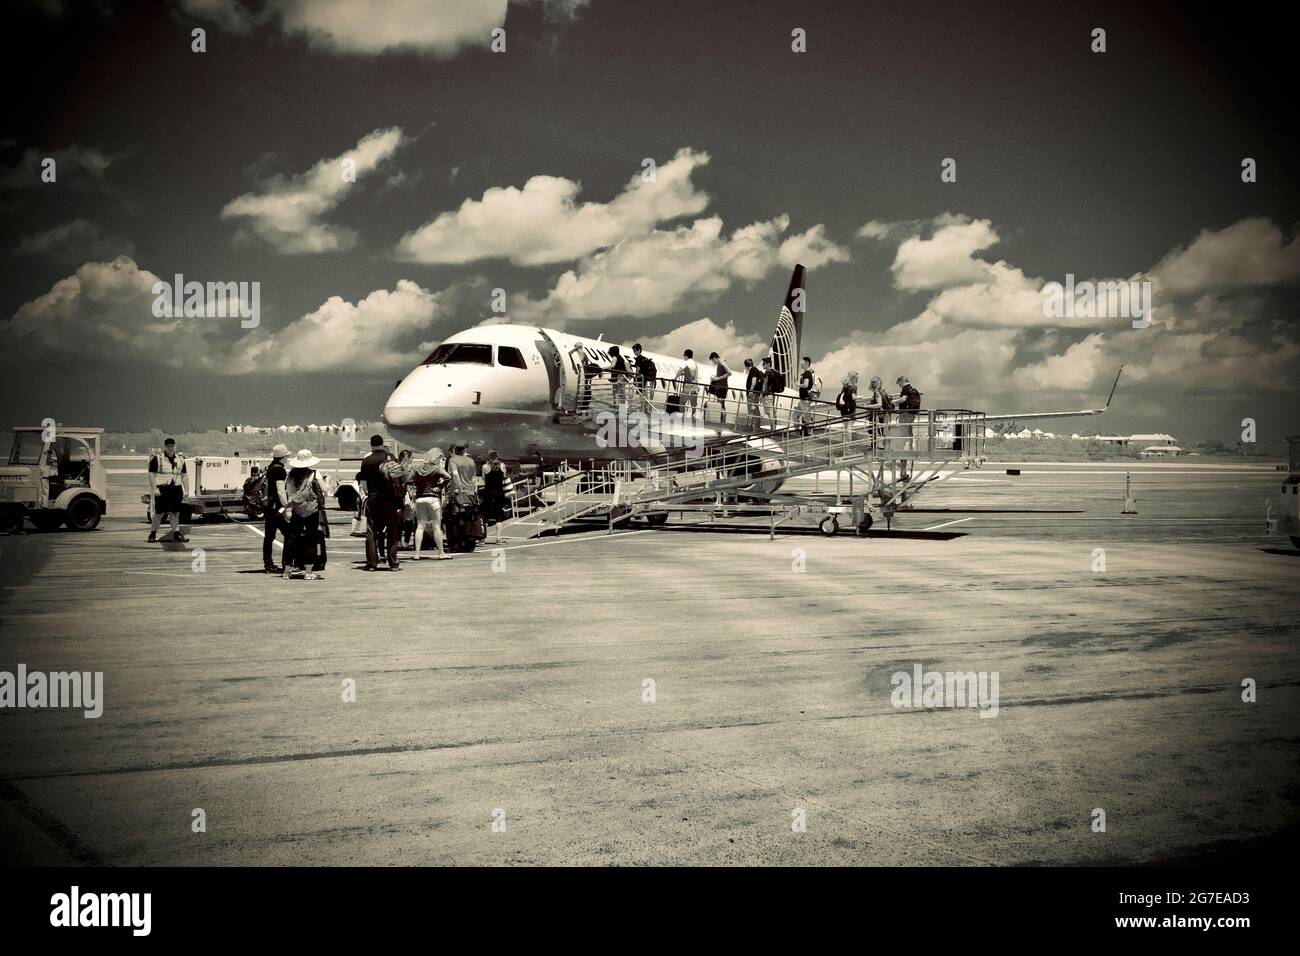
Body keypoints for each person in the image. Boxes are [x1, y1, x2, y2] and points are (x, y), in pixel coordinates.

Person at [281, 449, 326, 580]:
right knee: (310, 539)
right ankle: (308, 571)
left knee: (292, 539)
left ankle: (287, 571)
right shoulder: (315, 474)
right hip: (311, 511)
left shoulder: (290, 476)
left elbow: (289, 492)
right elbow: (325, 490)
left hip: (296, 510)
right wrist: (327, 481)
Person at [358, 434, 401, 571]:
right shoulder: (391, 458)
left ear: (371, 445)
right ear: (382, 444)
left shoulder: (367, 461)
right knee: (392, 531)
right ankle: (393, 563)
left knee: (372, 532)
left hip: (374, 500)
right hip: (390, 500)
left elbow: (364, 485)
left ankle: (372, 563)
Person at [410, 447, 452, 560]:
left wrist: (416, 487)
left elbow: (409, 480)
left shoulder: (417, 468)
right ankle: (441, 553)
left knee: (420, 526)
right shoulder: (436, 468)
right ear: (437, 457)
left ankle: (417, 554)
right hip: (433, 499)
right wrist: (439, 487)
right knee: (436, 526)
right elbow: (448, 477)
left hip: (419, 499)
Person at [147, 438, 189, 543]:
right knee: (158, 514)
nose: (170, 448)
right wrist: (154, 488)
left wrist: (186, 490)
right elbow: (151, 474)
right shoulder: (158, 459)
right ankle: (152, 534)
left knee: (175, 513)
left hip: (176, 490)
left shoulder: (180, 460)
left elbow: (184, 476)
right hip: (162, 489)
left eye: (172, 446)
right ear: (165, 447)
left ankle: (176, 534)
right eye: (168, 446)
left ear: (175, 446)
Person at [262, 443, 291, 574]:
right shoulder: (279, 470)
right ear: (283, 457)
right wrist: (287, 507)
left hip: (269, 507)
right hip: (276, 509)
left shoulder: (271, 467)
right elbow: (280, 491)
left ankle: (268, 564)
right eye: (286, 456)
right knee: (289, 534)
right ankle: (287, 563)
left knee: (269, 536)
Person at [896, 375, 922, 479]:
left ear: (902, 381)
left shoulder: (905, 389)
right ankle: (903, 469)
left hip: (905, 415)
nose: (899, 386)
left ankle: (901, 459)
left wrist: (893, 402)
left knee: (903, 436)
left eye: (899, 384)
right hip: (911, 415)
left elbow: (903, 399)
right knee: (908, 435)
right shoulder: (913, 390)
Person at [480, 449, 512, 530]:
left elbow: (484, 479)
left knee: (485, 515)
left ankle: (482, 538)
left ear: (489, 457)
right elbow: (504, 478)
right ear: (497, 456)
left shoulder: (484, 467)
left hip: (488, 493)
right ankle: (498, 538)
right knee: (498, 517)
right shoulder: (502, 466)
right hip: (499, 494)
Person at [397, 448, 416, 550]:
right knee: (409, 520)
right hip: (409, 495)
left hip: (399, 495)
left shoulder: (397, 467)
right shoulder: (411, 468)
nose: (413, 459)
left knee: (399, 520)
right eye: (412, 457)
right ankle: (406, 542)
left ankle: (399, 541)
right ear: (407, 458)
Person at [631, 343, 657, 411]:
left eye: (635, 350)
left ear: (639, 350)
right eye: (633, 350)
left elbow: (637, 370)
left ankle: (643, 409)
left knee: (641, 395)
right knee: (644, 395)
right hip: (646, 379)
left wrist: (635, 378)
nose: (634, 352)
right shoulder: (645, 358)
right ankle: (645, 409)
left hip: (641, 379)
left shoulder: (638, 359)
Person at [707, 352, 731, 424]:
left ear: (714, 358)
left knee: (721, 405)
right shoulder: (720, 365)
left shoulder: (723, 363)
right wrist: (715, 377)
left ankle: (723, 422)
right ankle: (722, 421)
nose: (713, 363)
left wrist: (718, 378)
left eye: (712, 361)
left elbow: (729, 372)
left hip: (722, 388)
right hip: (720, 387)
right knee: (720, 405)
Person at [677, 349, 700, 414]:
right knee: (693, 405)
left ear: (686, 356)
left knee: (682, 402)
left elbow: (680, 370)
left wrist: (675, 377)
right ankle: (693, 417)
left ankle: (682, 416)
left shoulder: (686, 362)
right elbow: (692, 374)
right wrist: (684, 374)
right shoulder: (695, 364)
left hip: (688, 386)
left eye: (684, 356)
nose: (684, 357)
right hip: (695, 386)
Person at [797, 356, 816, 435]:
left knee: (806, 416)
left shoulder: (807, 373)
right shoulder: (807, 373)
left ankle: (807, 433)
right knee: (804, 415)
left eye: (802, 361)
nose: (800, 363)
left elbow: (805, 385)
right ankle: (804, 432)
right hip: (805, 398)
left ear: (807, 363)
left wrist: (798, 385)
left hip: (805, 398)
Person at [760, 356, 780, 429]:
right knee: (771, 412)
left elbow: (765, 384)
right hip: (771, 395)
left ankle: (772, 429)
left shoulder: (768, 373)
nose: (763, 365)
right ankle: (773, 427)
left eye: (764, 364)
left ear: (768, 364)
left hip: (767, 395)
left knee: (769, 412)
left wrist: (761, 395)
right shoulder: (773, 372)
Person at [608, 345, 629, 410]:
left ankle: (617, 406)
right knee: (621, 392)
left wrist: (603, 368)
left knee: (615, 392)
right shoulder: (621, 358)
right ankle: (623, 406)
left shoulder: (615, 357)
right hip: (622, 376)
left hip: (617, 377)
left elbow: (612, 366)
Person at [743, 358, 762, 427]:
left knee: (752, 409)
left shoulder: (753, 370)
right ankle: (755, 425)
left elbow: (754, 379)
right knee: (754, 409)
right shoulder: (755, 370)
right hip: (755, 393)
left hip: (752, 394)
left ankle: (754, 426)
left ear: (746, 366)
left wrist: (751, 390)